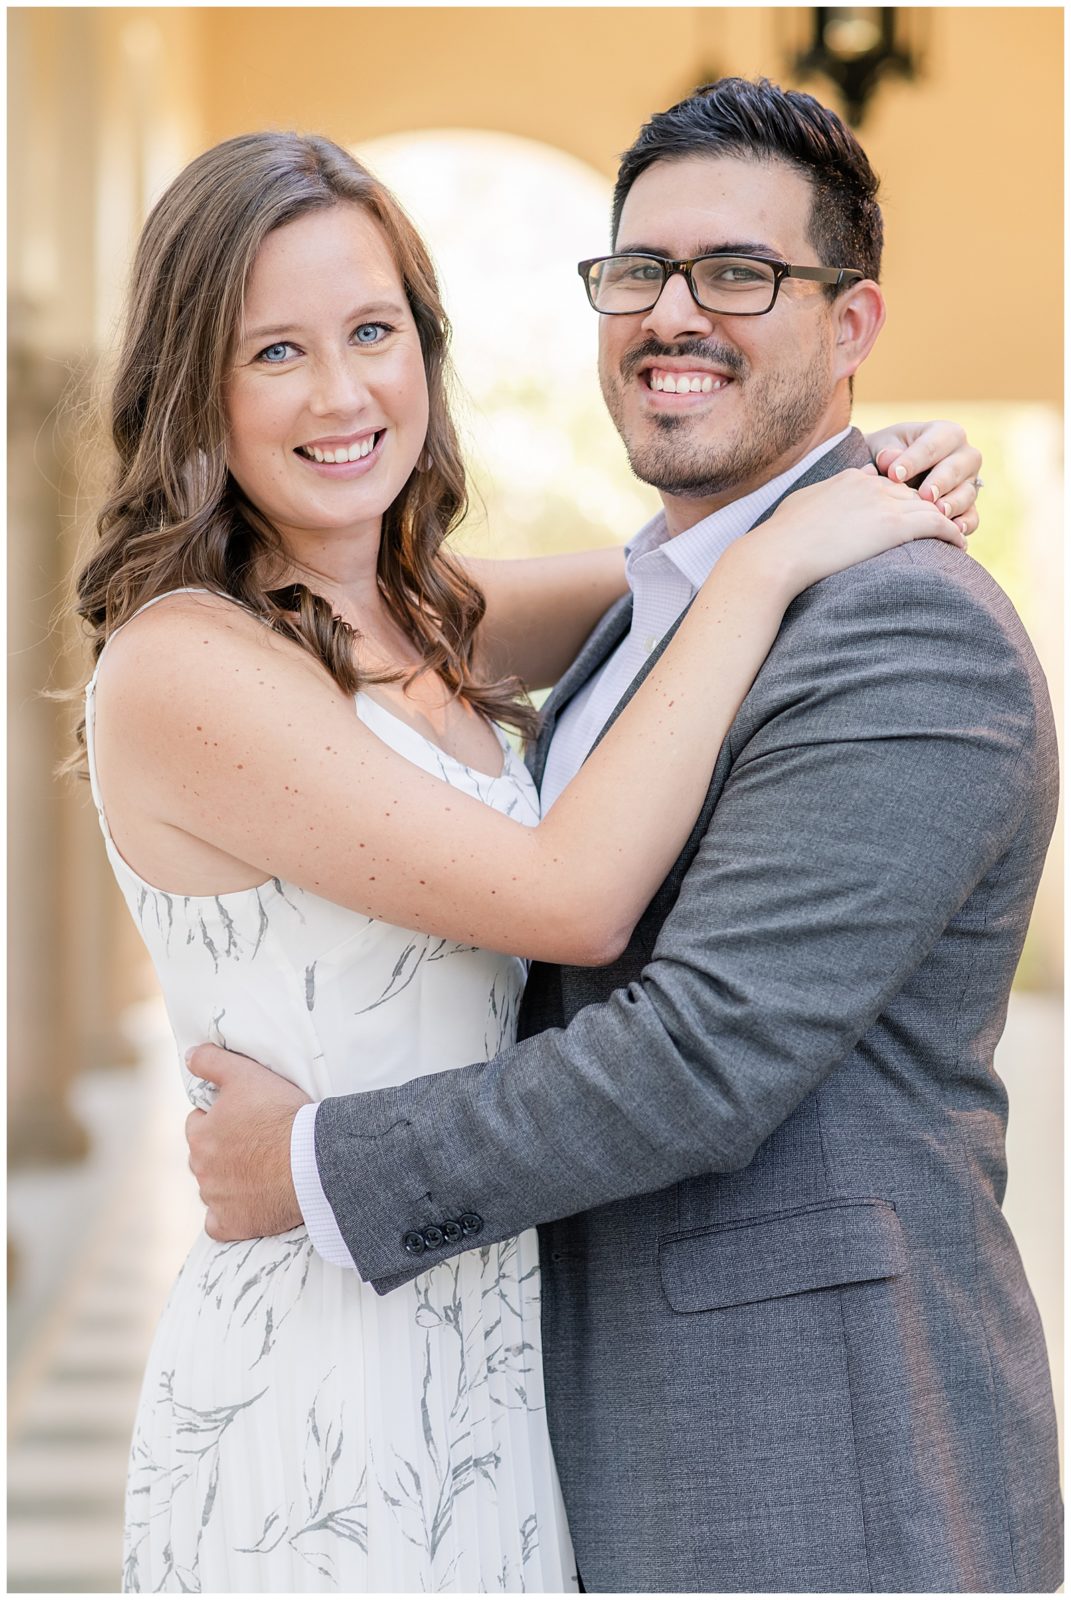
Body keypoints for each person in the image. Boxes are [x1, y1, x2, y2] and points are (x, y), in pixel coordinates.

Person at [186, 79, 1062, 1594]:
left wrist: (313, 1166)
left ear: (851, 328)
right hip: (563, 1425)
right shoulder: (671, 604)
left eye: (740, 274)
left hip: (819, 1457)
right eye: (637, 272)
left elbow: (699, 1056)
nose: (674, 313)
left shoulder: (906, 631)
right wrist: (788, 531)